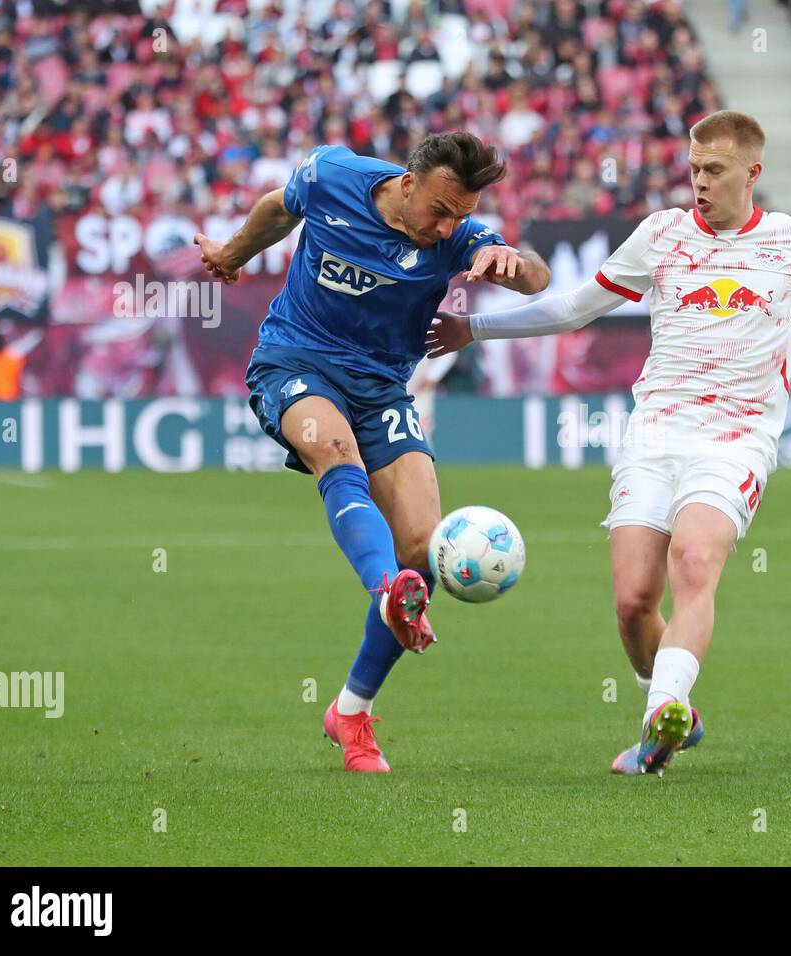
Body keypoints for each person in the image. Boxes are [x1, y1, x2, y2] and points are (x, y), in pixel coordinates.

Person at [428, 111, 791, 775]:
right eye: (693, 168)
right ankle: (675, 711)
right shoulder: (659, 235)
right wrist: (478, 328)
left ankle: (656, 724)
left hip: (739, 437)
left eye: (714, 171)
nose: (699, 182)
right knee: (634, 602)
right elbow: (575, 307)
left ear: (752, 173)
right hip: (657, 431)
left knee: (695, 561)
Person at [193, 133, 551, 772]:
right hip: (294, 360)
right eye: (440, 210)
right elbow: (281, 206)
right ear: (406, 182)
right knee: (334, 450)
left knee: (424, 549)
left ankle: (350, 712)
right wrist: (230, 253)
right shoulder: (333, 174)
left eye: (461, 215)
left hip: (382, 387)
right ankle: (390, 590)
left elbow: (537, 276)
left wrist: (509, 260)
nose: (447, 226)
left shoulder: (461, 235)